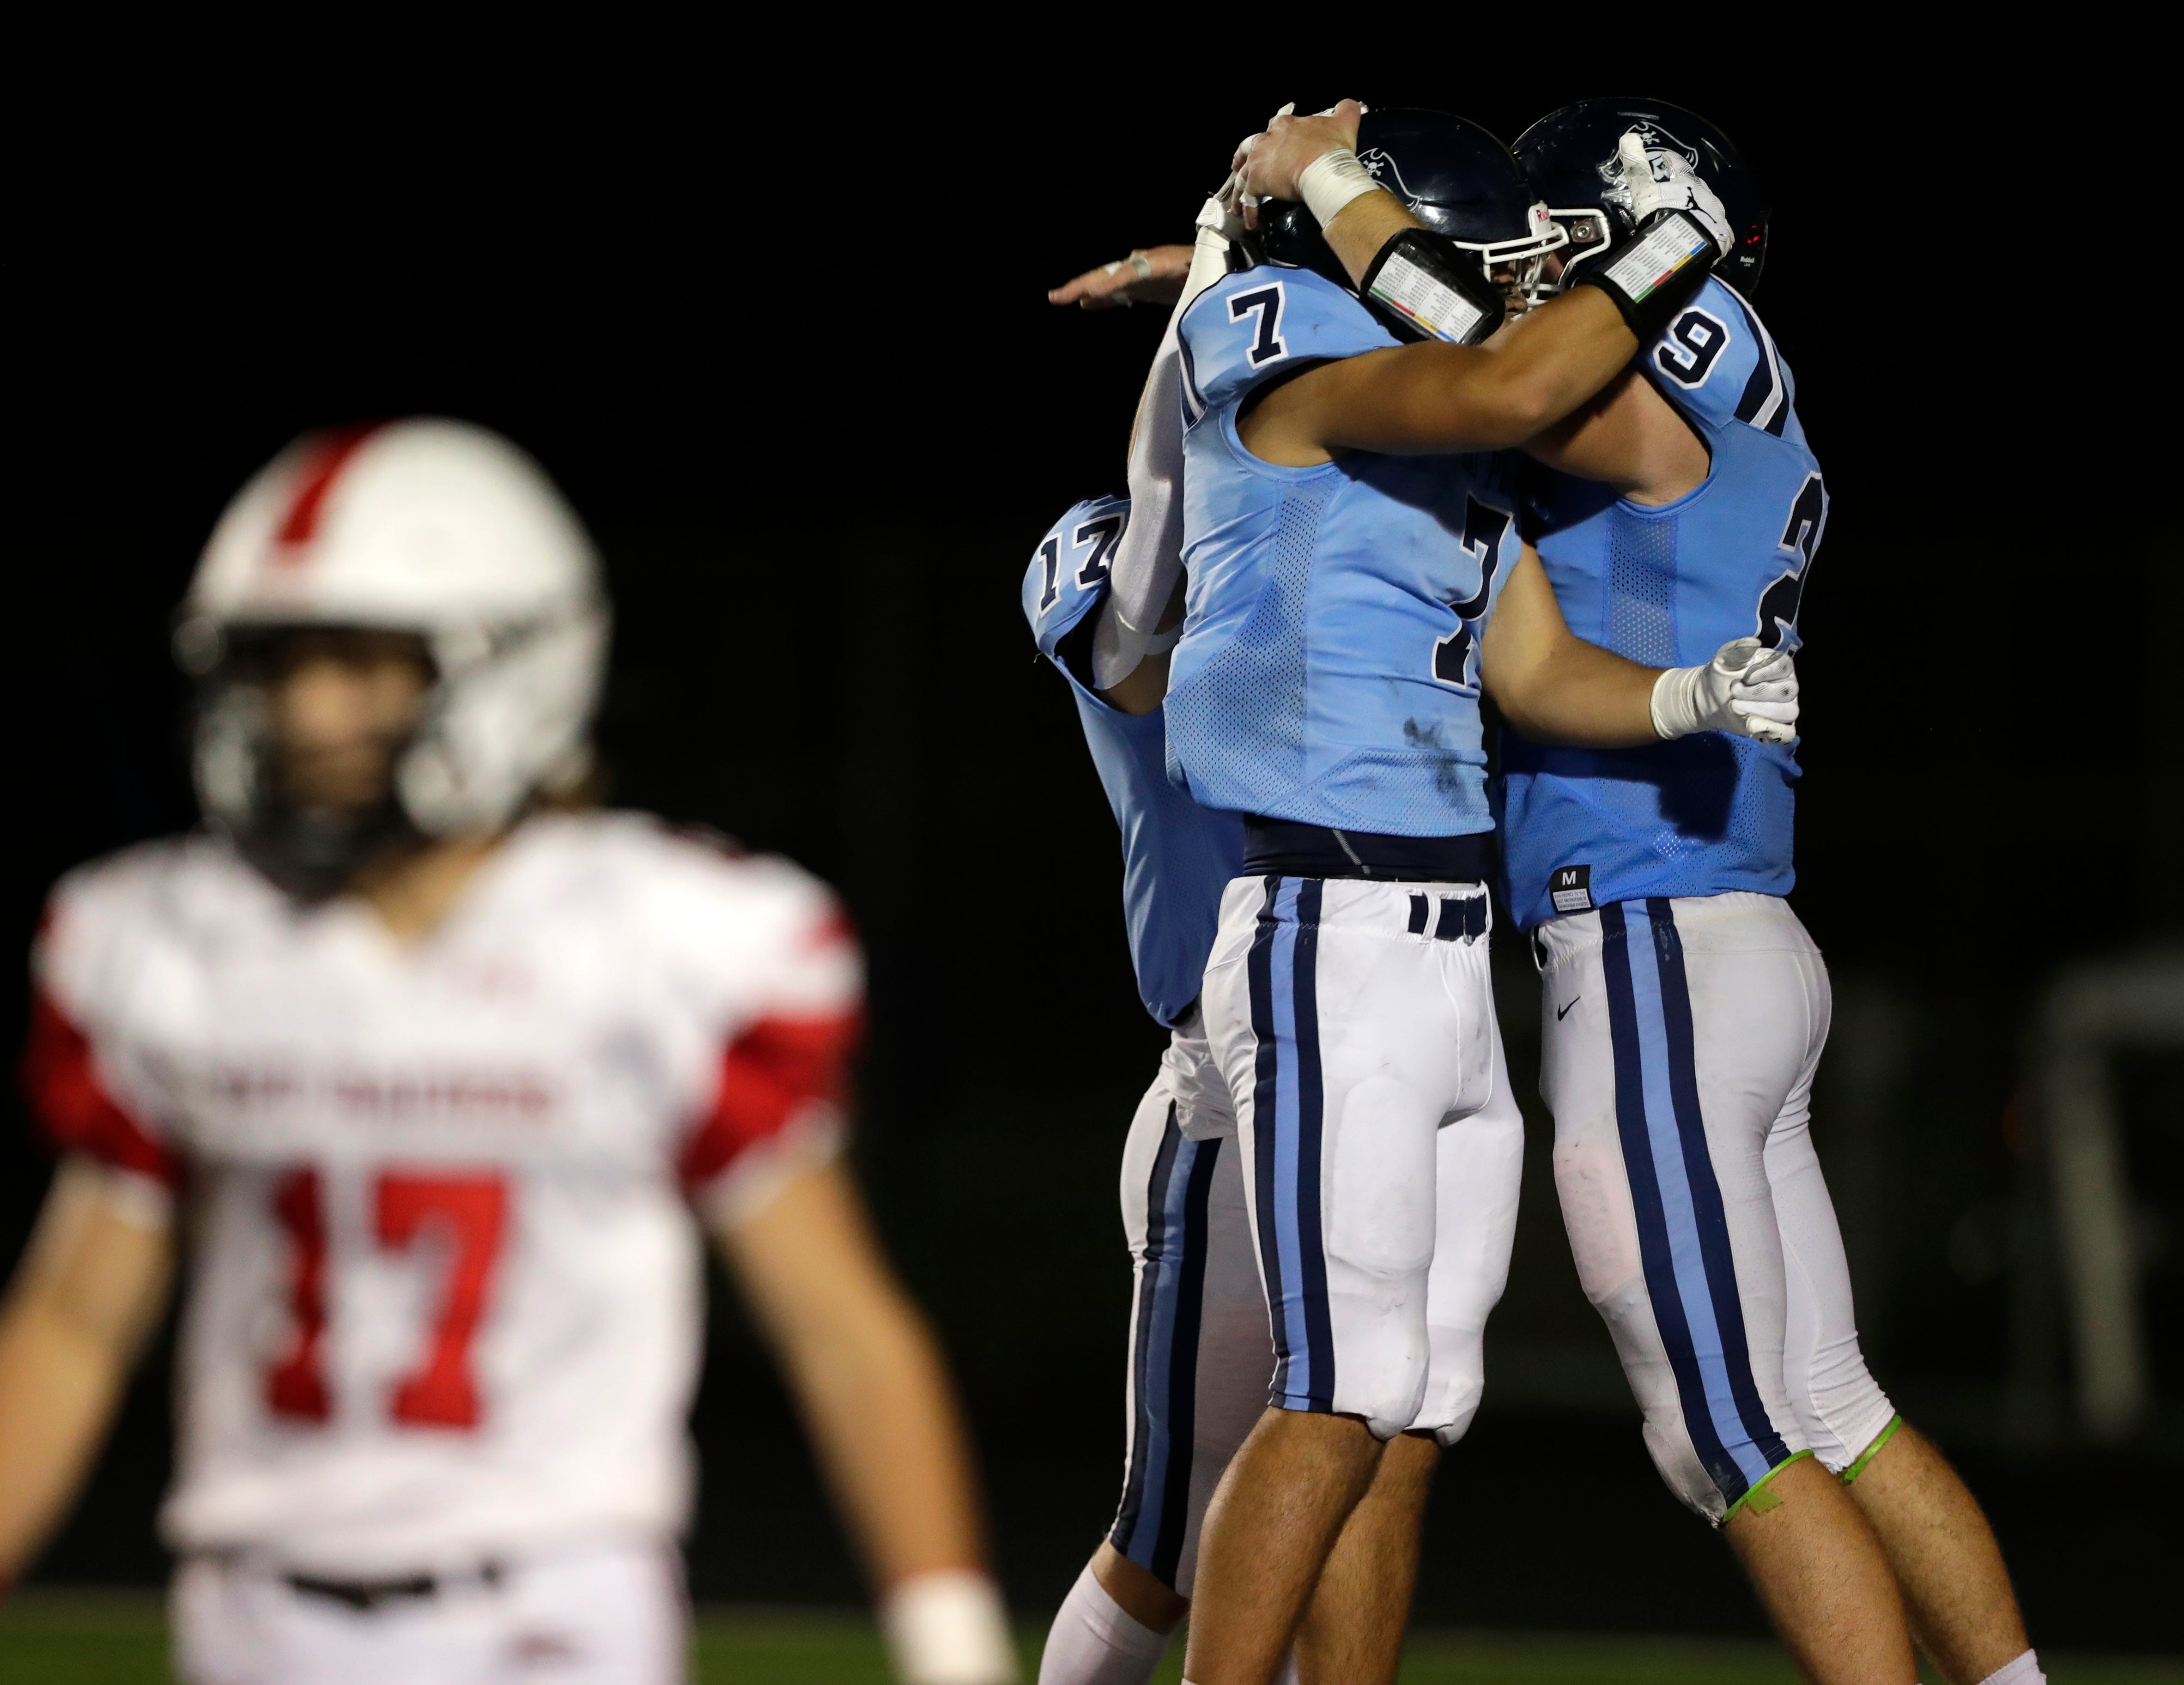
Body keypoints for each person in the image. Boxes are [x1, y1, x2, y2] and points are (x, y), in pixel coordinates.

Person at [0, 419, 1017, 1685]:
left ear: (521, 663)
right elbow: (73, 1322)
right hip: (244, 1607)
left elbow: (839, 1330)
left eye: (366, 664)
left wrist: (950, 1642)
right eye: (280, 665)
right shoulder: (180, 939)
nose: (310, 711)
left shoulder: (652, 940)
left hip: (546, 1613)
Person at [1053, 104, 1799, 1685]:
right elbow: (1513, 375)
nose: (1503, 278)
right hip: (1326, 929)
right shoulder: (1311, 364)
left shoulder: (1430, 433)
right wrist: (1677, 242)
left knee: (1418, 1406)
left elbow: (1532, 663)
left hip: (1448, 949)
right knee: (1334, 1392)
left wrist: (1689, 699)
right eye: (1479, 255)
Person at [1503, 98, 2042, 1685]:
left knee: (1719, 1432)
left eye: (1554, 241)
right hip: (1738, 932)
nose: (1530, 273)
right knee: (1828, 1404)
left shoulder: (1658, 379)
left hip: (1654, 932)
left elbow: (1489, 394)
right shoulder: (1749, 396)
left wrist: (1322, 247)